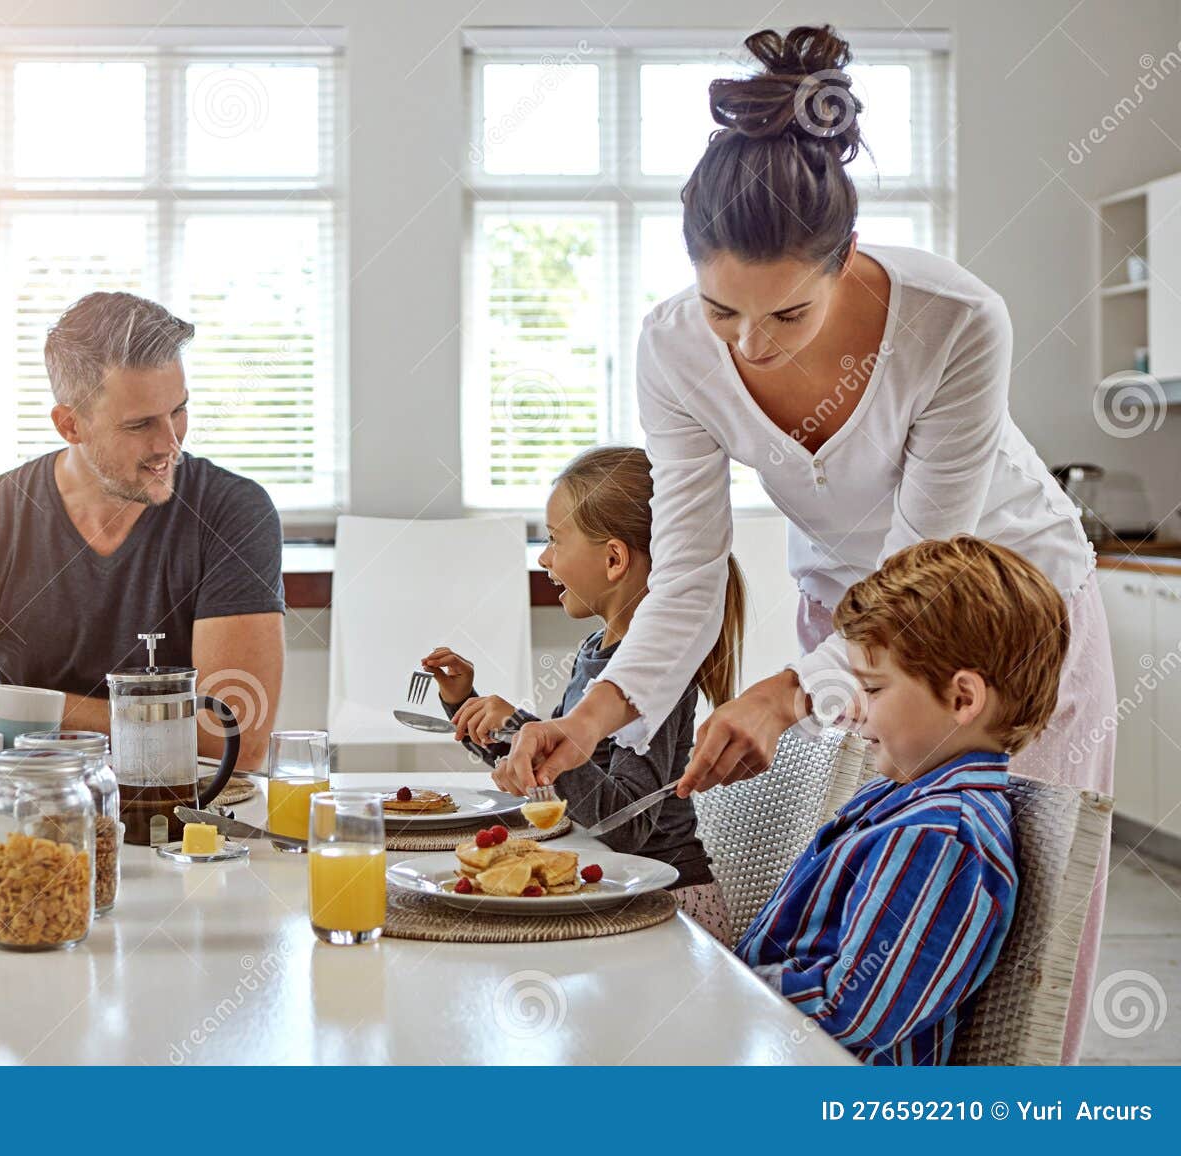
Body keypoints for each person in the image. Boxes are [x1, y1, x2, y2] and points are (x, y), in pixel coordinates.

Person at [499, 25, 1114, 1062]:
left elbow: (926, 571)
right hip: (848, 613)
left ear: (847, 261)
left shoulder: (952, 322)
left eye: (786, 310)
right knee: (864, 872)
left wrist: (787, 692)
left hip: (1006, 612)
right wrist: (599, 716)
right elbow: (688, 572)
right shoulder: (670, 351)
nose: (749, 343)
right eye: (719, 308)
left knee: (1010, 917)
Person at [0, 291, 286, 785]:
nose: (170, 445)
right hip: (29, 807)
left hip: (181, 820)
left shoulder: (233, 512)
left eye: (178, 411)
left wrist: (27, 714)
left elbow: (236, 742)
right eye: (140, 424)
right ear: (69, 424)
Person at [738, 536, 1068, 1064]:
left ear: (962, 699)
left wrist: (728, 990)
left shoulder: (937, 837)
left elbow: (854, 1011)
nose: (851, 710)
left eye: (872, 689)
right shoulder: (904, 800)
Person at [421, 446, 742, 942]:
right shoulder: (598, 649)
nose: (544, 558)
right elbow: (553, 774)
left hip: (666, 907)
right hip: (614, 889)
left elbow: (623, 822)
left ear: (614, 558)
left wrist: (522, 723)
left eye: (554, 540)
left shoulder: (653, 677)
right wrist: (469, 704)